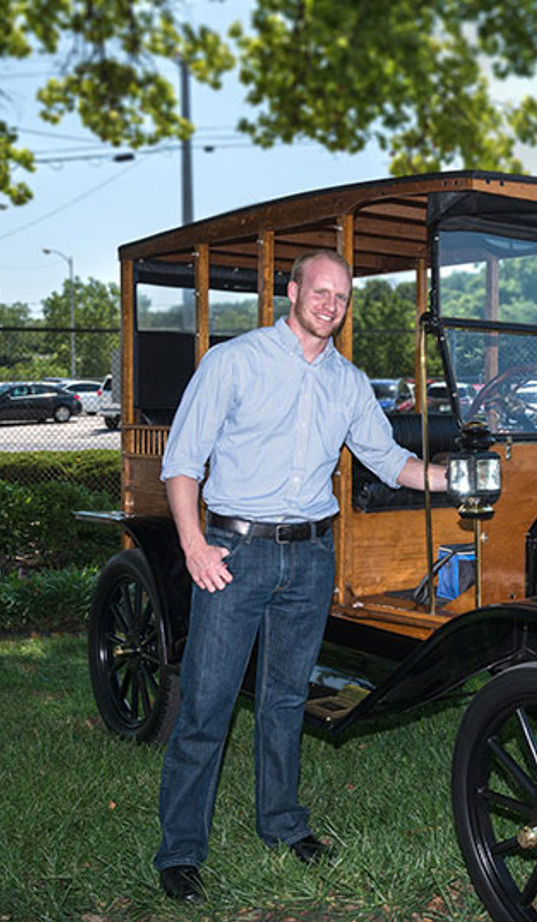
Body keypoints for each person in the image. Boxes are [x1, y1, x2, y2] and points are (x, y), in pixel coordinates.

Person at [153, 249, 446, 902]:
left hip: (311, 557)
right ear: (292, 292)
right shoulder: (235, 362)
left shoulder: (348, 382)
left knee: (286, 701)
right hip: (235, 553)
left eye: (340, 298)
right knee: (208, 704)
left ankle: (282, 825)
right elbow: (181, 461)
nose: (330, 306)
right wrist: (195, 546)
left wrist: (457, 479)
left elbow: (389, 458)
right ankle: (180, 852)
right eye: (320, 292)